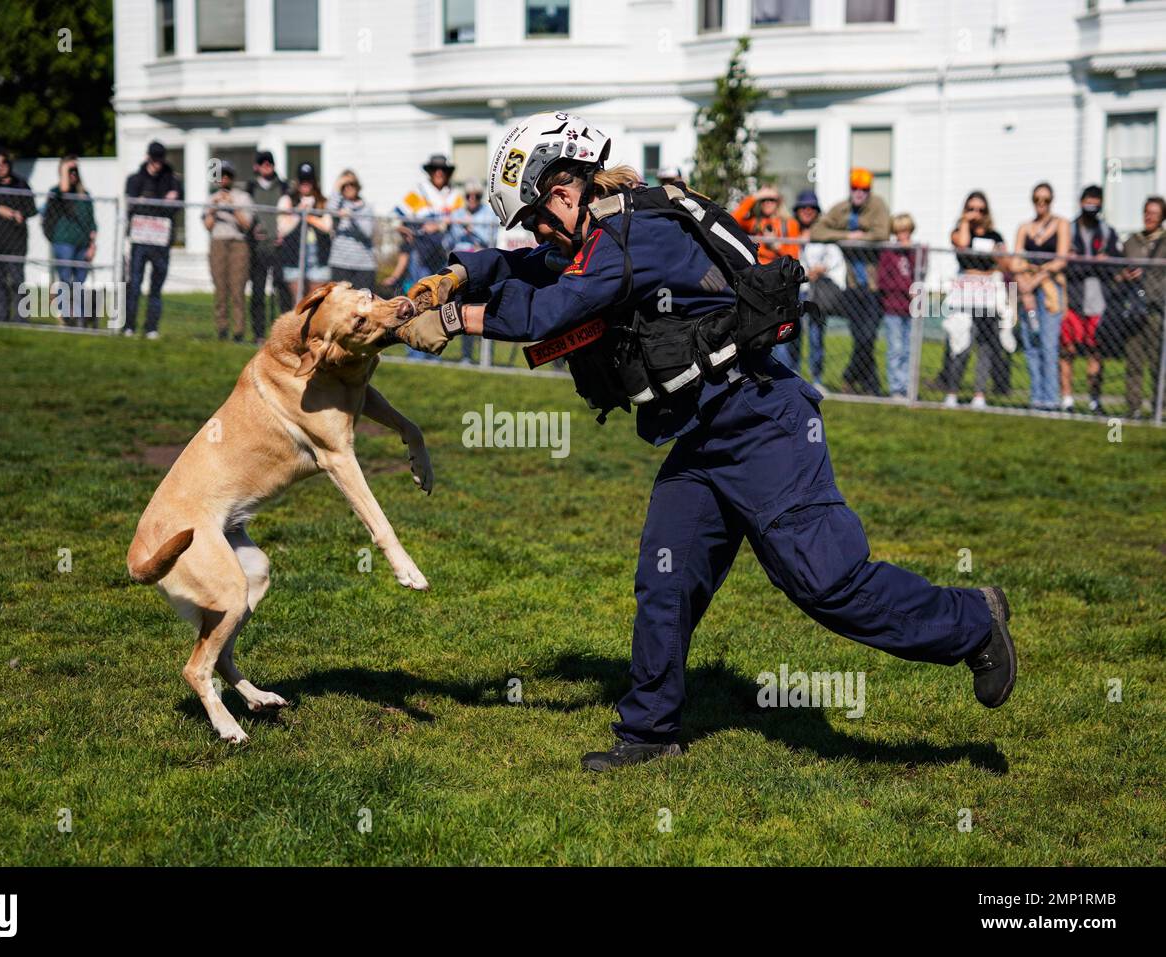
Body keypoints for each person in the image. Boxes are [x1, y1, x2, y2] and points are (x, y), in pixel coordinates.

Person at [392, 112, 1017, 770]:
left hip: (759, 424)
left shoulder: (637, 234)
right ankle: (651, 732)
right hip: (703, 435)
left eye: (536, 215)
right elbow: (531, 263)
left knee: (827, 584)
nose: (538, 232)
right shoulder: (603, 231)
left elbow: (551, 308)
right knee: (666, 580)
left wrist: (458, 318)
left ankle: (973, 621)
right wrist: (462, 272)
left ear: (563, 190)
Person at [811, 168, 891, 396]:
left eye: (863, 189)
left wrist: (859, 237)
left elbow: (881, 233)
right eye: (855, 188)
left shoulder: (878, 205)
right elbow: (818, 230)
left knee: (868, 336)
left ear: (869, 190)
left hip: (874, 286)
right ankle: (870, 387)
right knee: (860, 336)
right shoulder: (842, 208)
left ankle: (851, 377)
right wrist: (847, 236)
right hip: (852, 286)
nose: (859, 193)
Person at [937, 191, 1010, 409]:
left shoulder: (994, 235)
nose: (976, 213)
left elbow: (1002, 262)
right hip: (964, 291)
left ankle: (979, 395)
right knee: (960, 342)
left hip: (988, 292)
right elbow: (963, 244)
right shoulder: (958, 232)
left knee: (985, 344)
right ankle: (952, 392)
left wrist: (998, 258)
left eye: (980, 209)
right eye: (971, 208)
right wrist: (965, 222)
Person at [389, 153, 463, 358]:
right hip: (421, 255)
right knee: (416, 298)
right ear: (430, 172)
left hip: (444, 255)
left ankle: (432, 348)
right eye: (435, 170)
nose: (439, 173)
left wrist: (439, 225)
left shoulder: (454, 195)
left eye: (443, 170)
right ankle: (414, 350)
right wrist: (408, 231)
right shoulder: (418, 192)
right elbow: (395, 216)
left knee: (437, 301)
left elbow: (460, 222)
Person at [1011, 182, 1069, 411]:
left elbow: (1061, 259)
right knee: (1030, 342)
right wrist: (1024, 287)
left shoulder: (1061, 224)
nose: (1041, 205)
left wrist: (1037, 278)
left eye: (1045, 200)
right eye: (1037, 200)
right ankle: (1036, 396)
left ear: (1051, 201)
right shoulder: (1025, 228)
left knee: (1048, 343)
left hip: (1050, 290)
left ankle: (1051, 397)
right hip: (1027, 290)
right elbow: (1016, 259)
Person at [1062, 185, 1120, 413]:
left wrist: (1090, 261)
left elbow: (1115, 261)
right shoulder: (1069, 229)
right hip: (1073, 299)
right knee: (1068, 350)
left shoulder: (1107, 232)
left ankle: (1094, 400)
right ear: (1080, 202)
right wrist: (1091, 262)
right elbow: (1066, 261)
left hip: (1098, 301)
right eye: (1088, 201)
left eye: (1096, 202)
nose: (1091, 206)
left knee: (1096, 351)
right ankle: (1067, 400)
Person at [780, 190, 843, 390]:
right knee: (792, 336)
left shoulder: (823, 232)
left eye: (811, 208)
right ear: (797, 210)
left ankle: (816, 379)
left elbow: (835, 257)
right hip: (794, 290)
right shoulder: (790, 230)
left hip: (816, 292)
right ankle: (793, 374)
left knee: (816, 337)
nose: (807, 211)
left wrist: (821, 269)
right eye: (803, 207)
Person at [124, 141, 182, 339]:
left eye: (160, 159)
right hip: (140, 240)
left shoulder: (171, 179)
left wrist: (148, 201)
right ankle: (129, 325)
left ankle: (151, 327)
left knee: (156, 286)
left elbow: (174, 206)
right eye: (154, 158)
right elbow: (133, 205)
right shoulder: (135, 179)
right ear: (148, 157)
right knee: (135, 283)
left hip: (161, 241)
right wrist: (161, 201)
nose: (157, 163)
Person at [1115, 196, 1166, 419]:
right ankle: (1133, 408)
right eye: (1147, 212)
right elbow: (1115, 274)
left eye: (1154, 213)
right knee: (1134, 361)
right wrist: (1124, 275)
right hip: (1135, 308)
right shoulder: (1130, 242)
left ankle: (1160, 407)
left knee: (1158, 362)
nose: (1149, 217)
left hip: (1158, 309)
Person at [446, 180, 500, 363]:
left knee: (485, 310)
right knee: (463, 310)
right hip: (461, 267)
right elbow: (449, 242)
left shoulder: (488, 215)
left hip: (482, 268)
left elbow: (490, 241)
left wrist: (470, 229)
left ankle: (486, 359)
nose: (472, 200)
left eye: (476, 196)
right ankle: (466, 356)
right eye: (468, 196)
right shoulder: (457, 214)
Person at [42, 155, 97, 326]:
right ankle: (67, 315)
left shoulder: (84, 195)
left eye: (75, 171)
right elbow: (64, 189)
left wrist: (92, 245)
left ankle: (80, 317)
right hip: (63, 242)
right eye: (70, 171)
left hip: (82, 243)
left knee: (80, 282)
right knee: (65, 279)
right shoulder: (57, 192)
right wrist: (65, 167)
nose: (73, 174)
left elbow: (92, 222)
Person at [0, 150, 36, 323]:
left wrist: (21, 214)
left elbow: (32, 208)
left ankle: (22, 317)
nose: (1, 167)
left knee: (17, 280)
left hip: (16, 241)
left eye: (4, 162)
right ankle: (0, 315)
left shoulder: (21, 184)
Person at [202, 160, 252, 342]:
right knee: (220, 289)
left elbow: (247, 224)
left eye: (227, 175)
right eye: (220, 176)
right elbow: (208, 226)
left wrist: (233, 206)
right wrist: (213, 208)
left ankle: (238, 332)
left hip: (238, 244)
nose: (223, 179)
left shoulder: (243, 197)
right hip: (218, 243)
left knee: (237, 290)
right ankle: (222, 330)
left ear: (231, 177)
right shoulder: (210, 198)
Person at [246, 150, 289, 344]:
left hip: (280, 248)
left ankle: (284, 331)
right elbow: (245, 213)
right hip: (258, 249)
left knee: (282, 290)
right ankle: (259, 333)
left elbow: (290, 211)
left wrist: (284, 231)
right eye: (262, 163)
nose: (266, 166)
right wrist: (252, 229)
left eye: (269, 163)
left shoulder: (284, 187)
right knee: (258, 291)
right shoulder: (250, 187)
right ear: (257, 166)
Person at [276, 162, 331, 304]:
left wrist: (309, 216)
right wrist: (299, 211)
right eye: (302, 181)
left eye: (308, 181)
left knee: (316, 303)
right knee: (299, 302)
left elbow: (327, 227)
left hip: (318, 258)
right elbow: (283, 228)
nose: (305, 184)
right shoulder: (287, 200)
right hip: (294, 258)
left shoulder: (322, 202)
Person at [877, 213, 918, 397]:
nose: (904, 236)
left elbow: (920, 273)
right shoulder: (889, 252)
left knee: (909, 349)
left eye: (907, 231)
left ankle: (908, 386)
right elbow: (884, 281)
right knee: (896, 348)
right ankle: (896, 387)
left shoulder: (915, 252)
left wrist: (910, 253)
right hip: (893, 307)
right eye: (900, 231)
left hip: (911, 308)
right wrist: (906, 288)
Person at [327, 169, 378, 291]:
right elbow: (329, 210)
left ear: (357, 186)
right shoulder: (338, 205)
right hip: (340, 263)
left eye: (352, 184)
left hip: (364, 265)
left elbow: (367, 232)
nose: (348, 188)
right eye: (345, 185)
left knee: (363, 305)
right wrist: (337, 185)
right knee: (340, 303)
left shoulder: (366, 207)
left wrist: (352, 218)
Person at [730, 185, 801, 265]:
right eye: (764, 199)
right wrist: (755, 197)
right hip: (757, 269)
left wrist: (776, 246)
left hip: (778, 271)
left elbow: (794, 257)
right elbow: (732, 220)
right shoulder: (755, 222)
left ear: (778, 202)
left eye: (771, 199)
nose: (767, 203)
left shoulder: (789, 223)